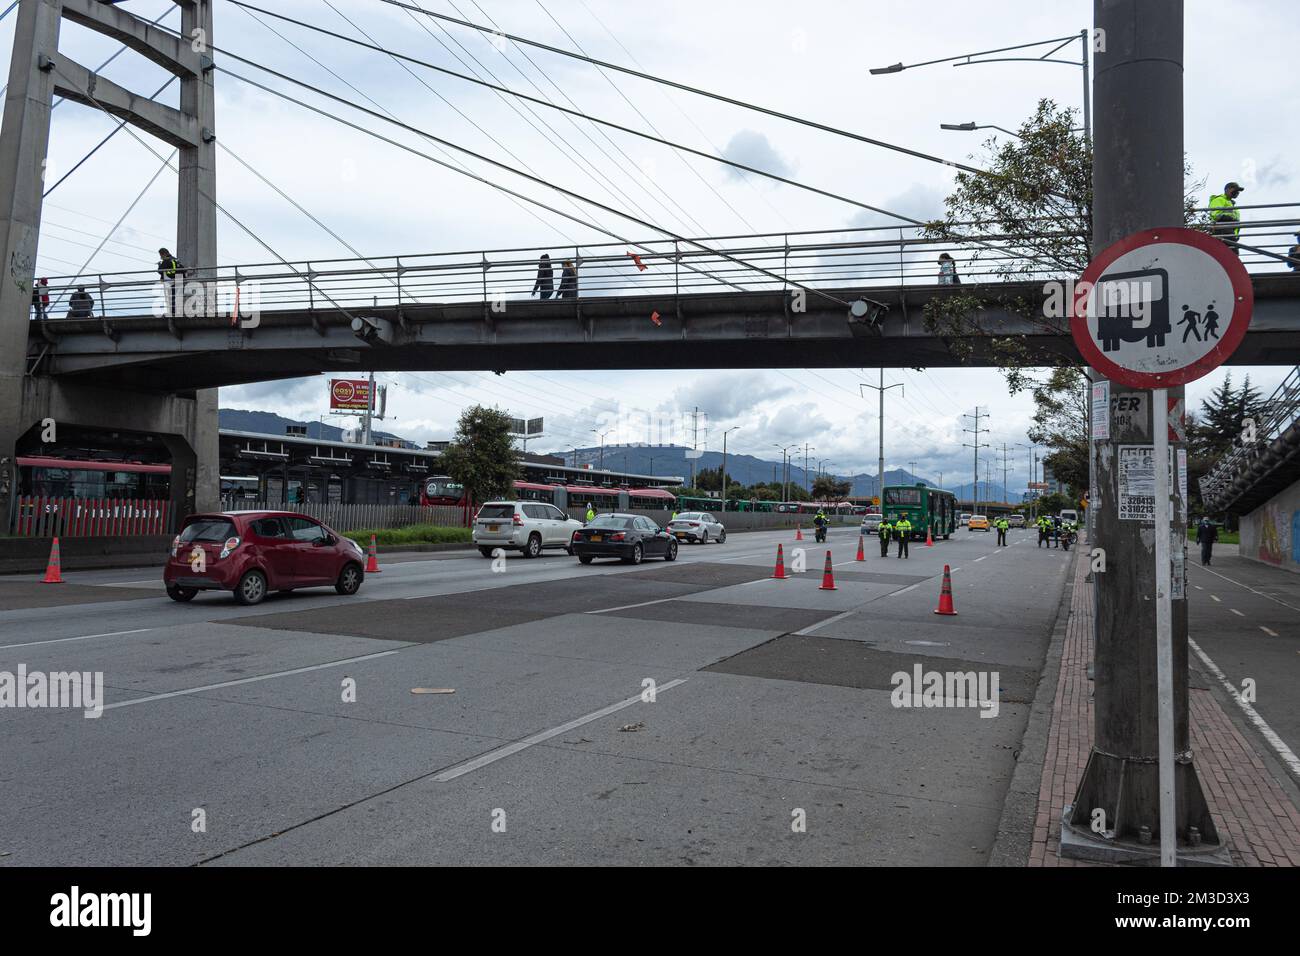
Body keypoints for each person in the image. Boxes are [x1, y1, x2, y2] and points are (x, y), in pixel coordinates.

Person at [1209, 182, 1244, 255]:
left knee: (1233, 256)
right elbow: (1216, 214)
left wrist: (1236, 235)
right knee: (1231, 256)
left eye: (1238, 191)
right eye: (1235, 190)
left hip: (1231, 233)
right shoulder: (1219, 199)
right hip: (1222, 230)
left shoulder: (1232, 204)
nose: (1237, 193)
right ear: (1227, 190)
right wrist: (1230, 219)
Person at [158, 247, 184, 315]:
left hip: (170, 282)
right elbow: (183, 269)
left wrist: (160, 265)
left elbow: (160, 271)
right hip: (179, 280)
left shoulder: (166, 260)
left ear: (163, 254)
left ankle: (172, 313)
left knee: (171, 298)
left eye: (160, 256)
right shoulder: (176, 259)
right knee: (177, 297)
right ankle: (177, 312)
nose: (161, 257)